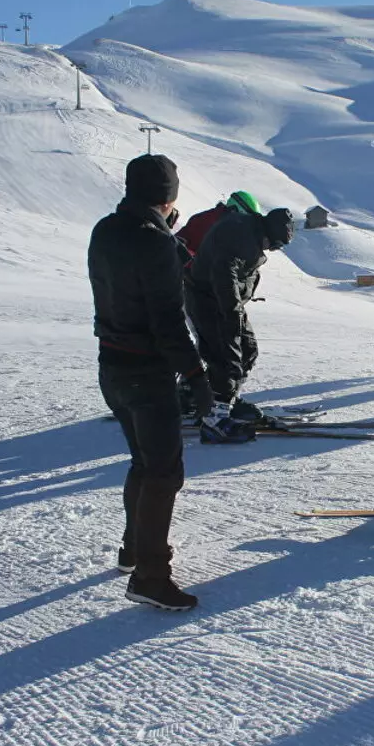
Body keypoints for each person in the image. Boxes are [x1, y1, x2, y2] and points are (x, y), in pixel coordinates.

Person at [88, 154, 215, 611]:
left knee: (142, 462)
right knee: (163, 472)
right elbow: (166, 321)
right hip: (146, 369)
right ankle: (150, 575)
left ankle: (132, 551)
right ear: (169, 197)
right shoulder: (155, 243)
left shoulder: (104, 229)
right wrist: (197, 374)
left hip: (112, 366)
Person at [184, 196, 296, 440]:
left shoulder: (250, 233)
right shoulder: (243, 233)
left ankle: (222, 401)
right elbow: (224, 272)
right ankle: (214, 420)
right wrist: (231, 313)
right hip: (209, 301)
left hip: (222, 303)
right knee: (227, 358)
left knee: (247, 349)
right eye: (274, 245)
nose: (270, 249)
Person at [174, 190, 261, 418]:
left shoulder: (230, 226)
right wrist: (192, 266)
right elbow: (177, 244)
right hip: (195, 293)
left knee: (231, 347)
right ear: (236, 210)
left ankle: (216, 395)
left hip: (215, 297)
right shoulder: (209, 220)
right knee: (213, 346)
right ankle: (196, 395)